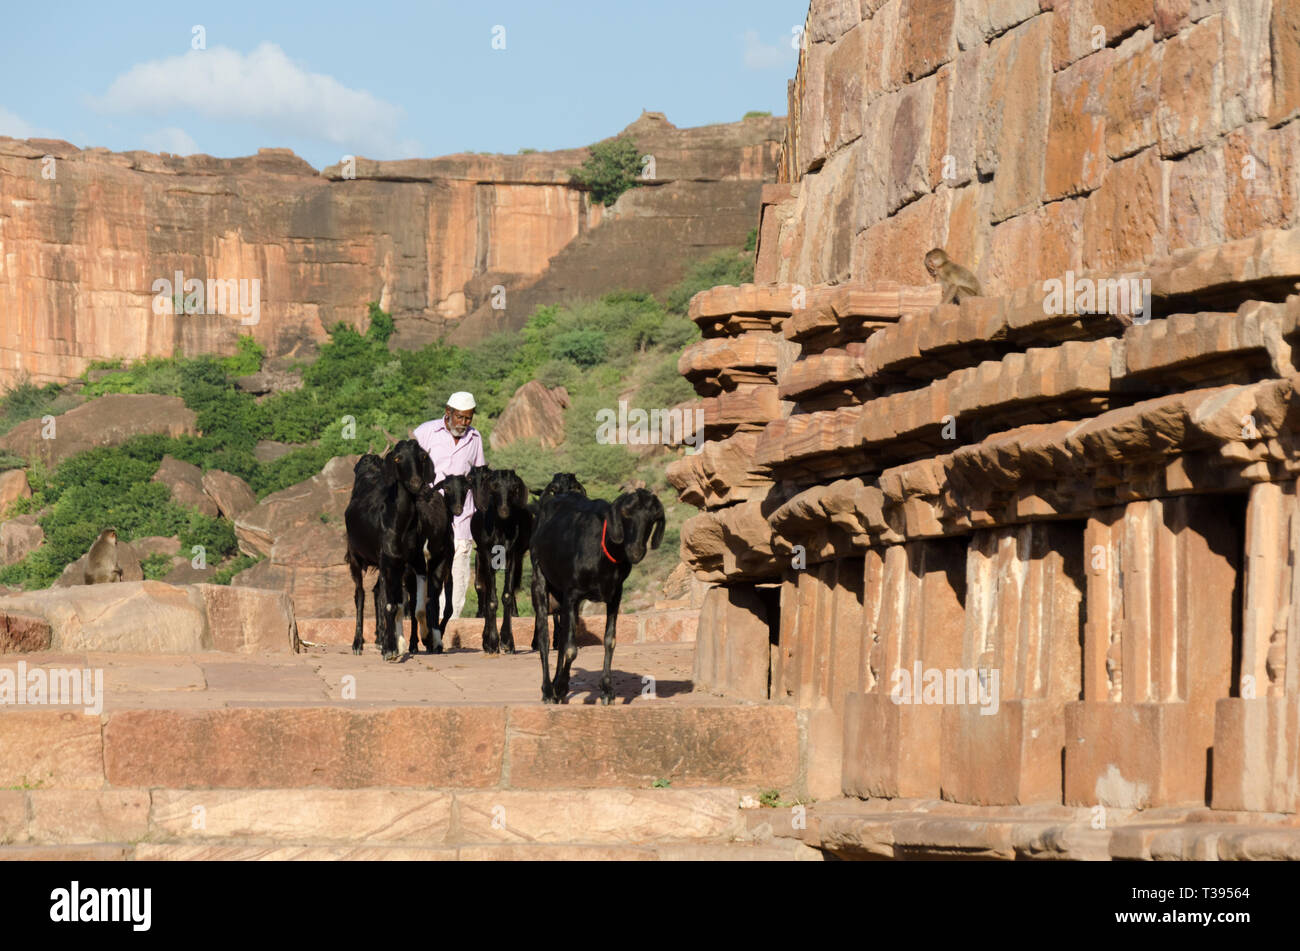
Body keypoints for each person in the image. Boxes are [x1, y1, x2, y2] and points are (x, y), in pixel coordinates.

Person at [412, 391, 484, 622]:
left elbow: (479, 474)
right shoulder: (425, 432)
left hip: (461, 517)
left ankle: (447, 628)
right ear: (448, 412)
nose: (464, 423)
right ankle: (425, 626)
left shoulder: (475, 438)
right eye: (460, 417)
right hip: (428, 517)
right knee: (424, 573)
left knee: (457, 575)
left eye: (468, 418)